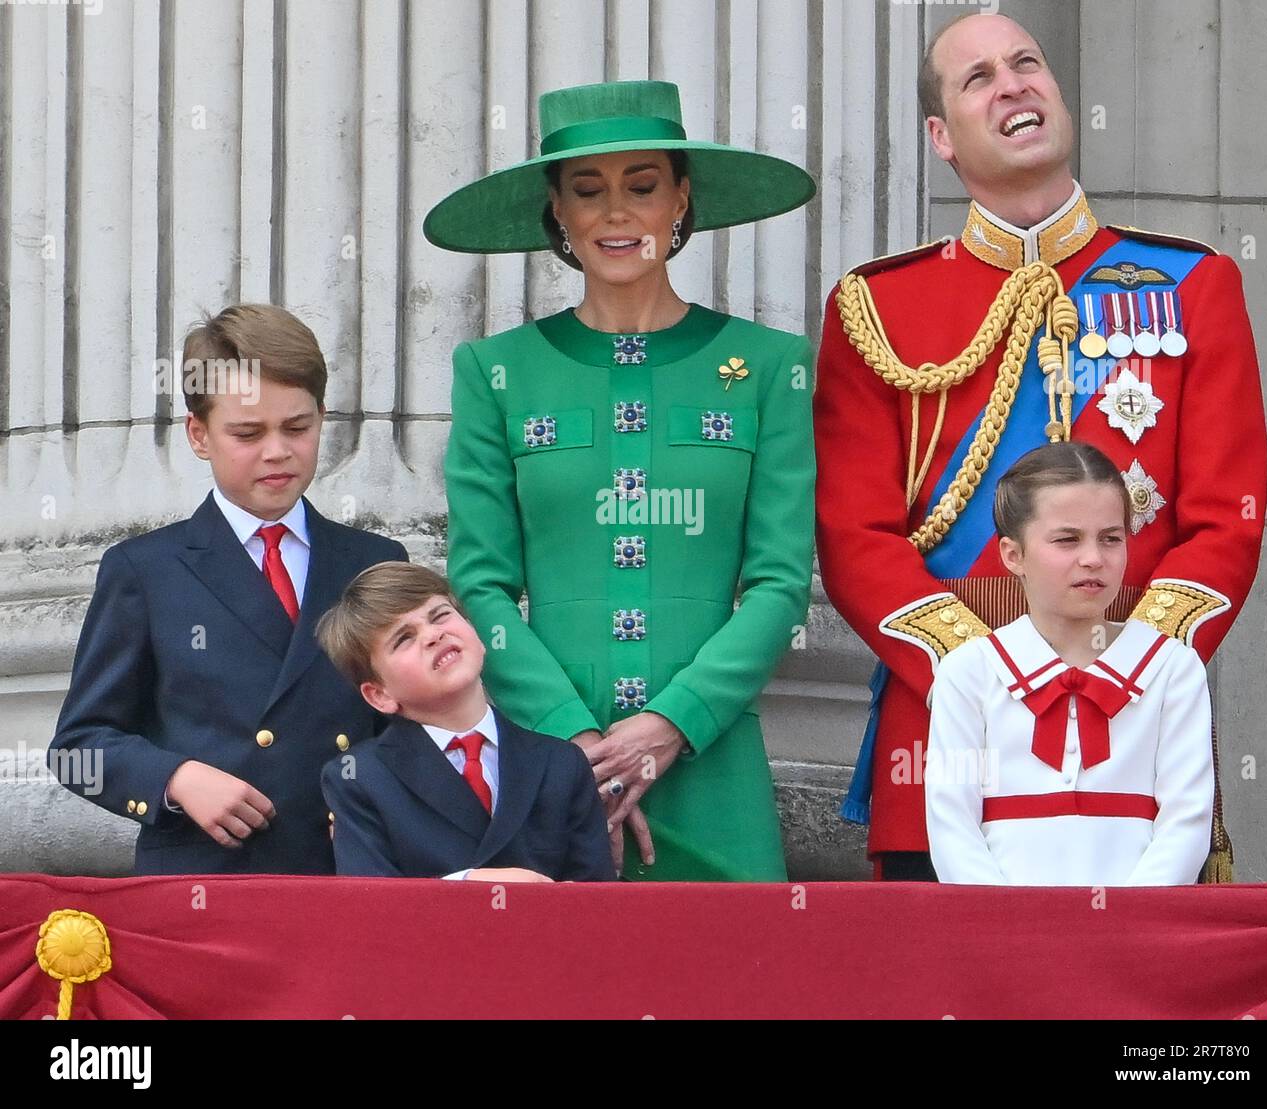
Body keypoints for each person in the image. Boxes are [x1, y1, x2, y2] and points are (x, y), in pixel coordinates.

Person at [814, 12, 1267, 881]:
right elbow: (852, 537)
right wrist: (987, 675)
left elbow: (1226, 523)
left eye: (1027, 63)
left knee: (1138, 1010)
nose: (1013, 82)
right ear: (940, 136)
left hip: (1139, 722)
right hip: (947, 721)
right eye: (979, 76)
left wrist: (1129, 673)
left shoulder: (1194, 283)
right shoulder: (876, 308)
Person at [424, 80, 817, 880]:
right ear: (557, 212)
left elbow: (780, 583)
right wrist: (577, 741)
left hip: (712, 762)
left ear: (680, 198)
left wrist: (673, 720)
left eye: (642, 186)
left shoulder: (772, 368)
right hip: (551, 765)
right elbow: (482, 584)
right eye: (587, 190)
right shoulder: (495, 372)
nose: (616, 213)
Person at [48, 305, 408, 875]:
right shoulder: (145, 569)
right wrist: (176, 779)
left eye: (298, 427)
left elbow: (412, 727)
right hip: (209, 880)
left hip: (352, 873)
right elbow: (78, 749)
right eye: (247, 432)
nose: (277, 451)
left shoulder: (373, 561)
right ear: (199, 434)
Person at [925, 443, 1213, 885]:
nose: (1094, 558)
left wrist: (1127, 925)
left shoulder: (1173, 668)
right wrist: (1010, 927)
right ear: (1012, 555)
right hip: (1005, 936)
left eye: (1111, 538)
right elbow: (951, 826)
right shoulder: (968, 672)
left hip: (1137, 936)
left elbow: (1187, 822)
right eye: (1067, 539)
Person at [317, 562, 614, 881]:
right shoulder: (359, 779)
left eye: (440, 615)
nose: (433, 635)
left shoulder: (561, 763)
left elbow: (597, 899)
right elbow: (371, 907)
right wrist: (469, 885)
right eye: (403, 638)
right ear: (379, 695)